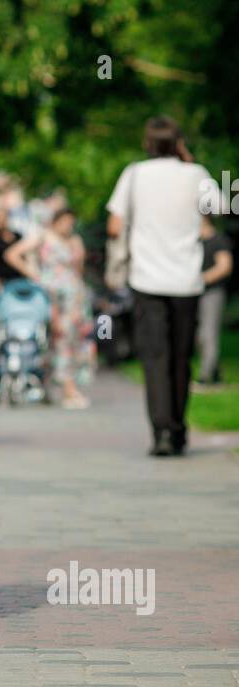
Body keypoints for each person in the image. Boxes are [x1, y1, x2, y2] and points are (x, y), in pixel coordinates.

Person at [106, 116, 222, 456]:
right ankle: (179, 427)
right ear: (179, 143)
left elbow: (114, 225)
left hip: (147, 279)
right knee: (181, 357)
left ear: (147, 144)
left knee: (155, 358)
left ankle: (162, 433)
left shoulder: (135, 174)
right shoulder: (197, 175)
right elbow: (219, 208)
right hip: (186, 280)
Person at [4, 206, 95, 408]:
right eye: (65, 221)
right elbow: (12, 254)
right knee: (61, 339)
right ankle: (68, 390)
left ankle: (49, 386)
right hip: (54, 297)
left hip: (76, 298)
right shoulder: (43, 237)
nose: (69, 226)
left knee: (75, 341)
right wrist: (35, 275)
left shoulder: (75, 240)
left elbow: (78, 271)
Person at [195, 216, 233, 387]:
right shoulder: (194, 242)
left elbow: (225, 266)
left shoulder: (218, 240)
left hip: (213, 293)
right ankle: (215, 372)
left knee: (208, 334)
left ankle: (205, 377)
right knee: (199, 336)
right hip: (195, 293)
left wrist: (202, 279)